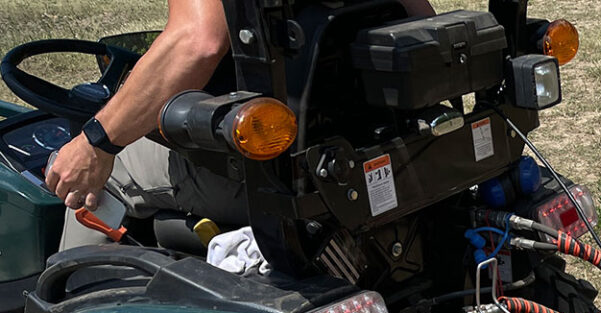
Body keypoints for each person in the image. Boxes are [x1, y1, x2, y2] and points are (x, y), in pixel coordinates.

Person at [45, 0, 434, 246]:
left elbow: (197, 44)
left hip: (279, 170)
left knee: (97, 173)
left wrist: (95, 142)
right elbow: (423, 23)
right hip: (381, 153)